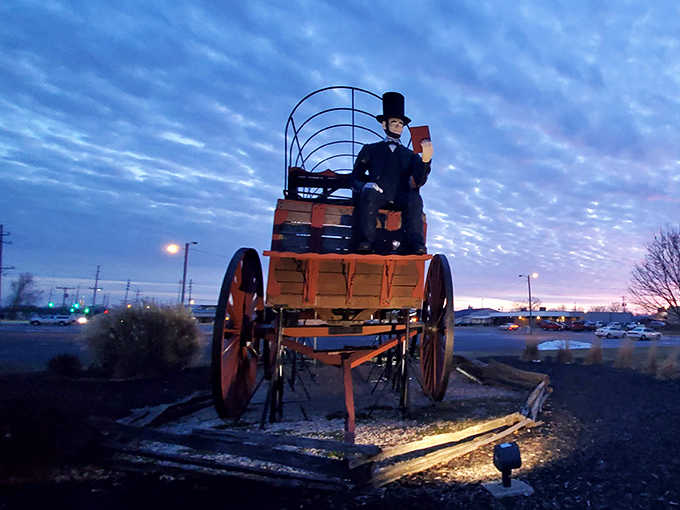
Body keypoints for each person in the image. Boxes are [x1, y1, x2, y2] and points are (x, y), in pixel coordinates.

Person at [351, 91, 433, 254]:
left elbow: (419, 179)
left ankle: (416, 243)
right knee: (369, 195)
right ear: (384, 124)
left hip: (400, 196)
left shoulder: (410, 155)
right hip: (378, 194)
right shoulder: (370, 150)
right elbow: (355, 178)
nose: (398, 126)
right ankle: (366, 241)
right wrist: (366, 185)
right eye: (394, 122)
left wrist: (426, 159)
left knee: (415, 199)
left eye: (401, 124)